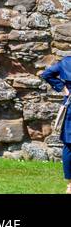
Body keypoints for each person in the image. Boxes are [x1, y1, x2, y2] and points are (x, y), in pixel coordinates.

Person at [39, 55, 71, 193]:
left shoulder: (67, 61)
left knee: (70, 145)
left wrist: (63, 88)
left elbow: (46, 74)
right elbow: (46, 74)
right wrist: (64, 89)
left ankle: (70, 184)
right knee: (69, 145)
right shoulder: (67, 61)